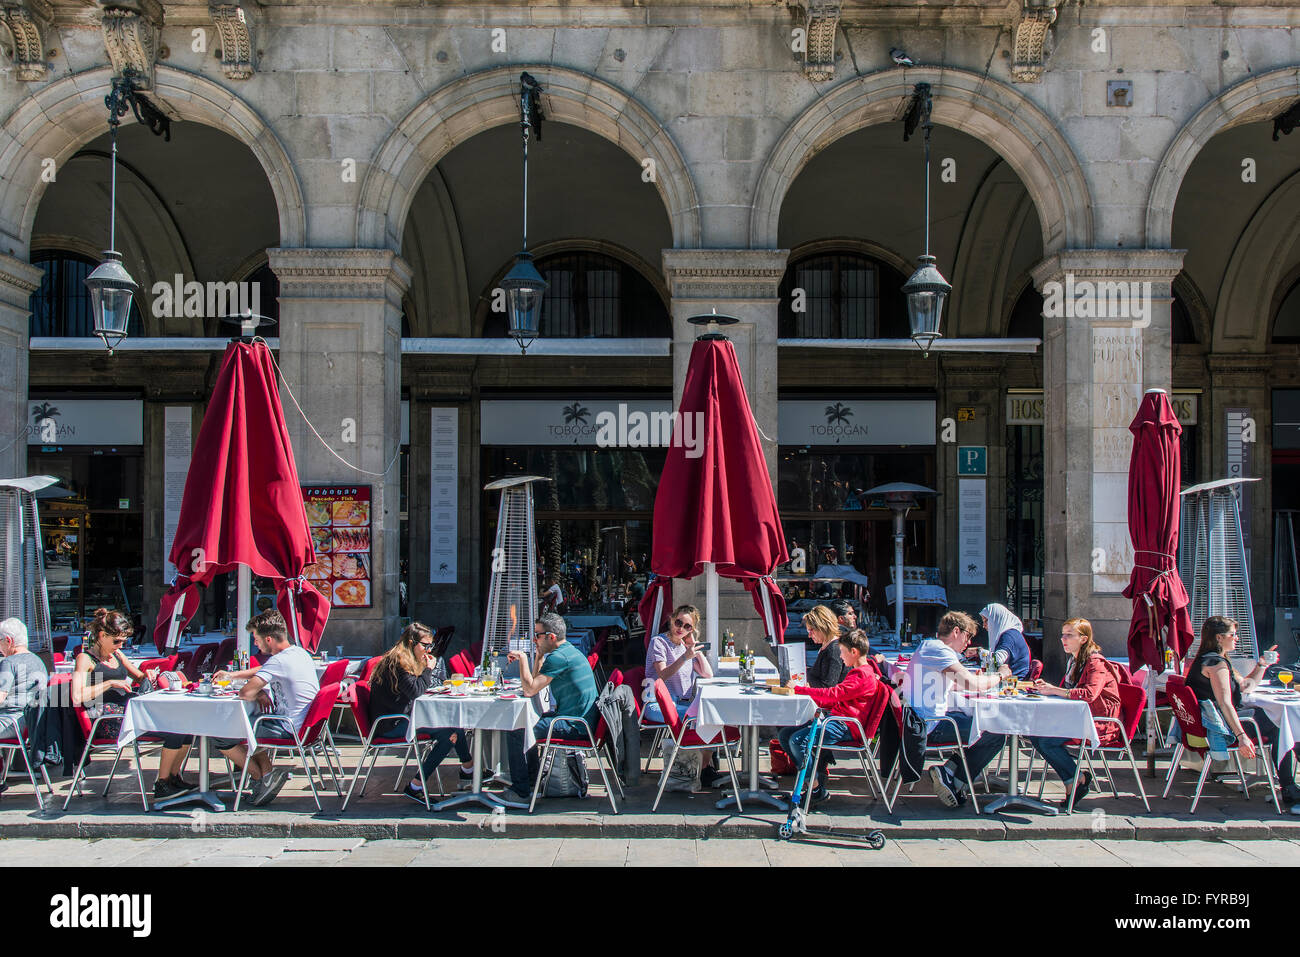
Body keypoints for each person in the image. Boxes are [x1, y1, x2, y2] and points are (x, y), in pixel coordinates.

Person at [72, 608, 194, 801]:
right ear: (102, 636)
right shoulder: (85, 659)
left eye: (123, 641)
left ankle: (173, 777)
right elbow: (77, 696)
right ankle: (162, 784)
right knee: (175, 729)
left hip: (129, 713)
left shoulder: (117, 655)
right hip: (108, 720)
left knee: (187, 727)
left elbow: (138, 676)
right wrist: (110, 683)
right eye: (116, 641)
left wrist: (149, 674)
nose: (120, 645)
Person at [898, 610, 1011, 808]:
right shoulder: (939, 651)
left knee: (980, 722)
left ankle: (949, 771)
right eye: (968, 636)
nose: (968, 643)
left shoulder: (930, 646)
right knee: (995, 730)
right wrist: (999, 676)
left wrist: (979, 680)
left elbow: (957, 684)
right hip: (929, 725)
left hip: (922, 720)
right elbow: (972, 685)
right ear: (957, 631)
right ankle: (957, 781)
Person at [1184, 616, 1299, 804]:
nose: (1236, 638)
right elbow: (1225, 704)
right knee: (1280, 724)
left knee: (1276, 718)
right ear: (1219, 637)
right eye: (1232, 634)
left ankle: (1288, 786)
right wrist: (1241, 736)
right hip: (1220, 727)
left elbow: (1245, 685)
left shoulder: (1216, 660)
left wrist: (1262, 664)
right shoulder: (1216, 664)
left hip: (1209, 722)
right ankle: (1288, 788)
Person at [211, 610, 319, 807]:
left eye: (256, 638)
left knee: (220, 732)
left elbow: (245, 694)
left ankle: (258, 777)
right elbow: (265, 670)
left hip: (288, 728)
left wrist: (256, 691)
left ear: (268, 639)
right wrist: (234, 676)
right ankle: (268, 775)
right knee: (251, 721)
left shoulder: (279, 660)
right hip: (305, 727)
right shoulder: (297, 652)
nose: (255, 643)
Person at [366, 622, 474, 804]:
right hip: (391, 724)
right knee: (449, 735)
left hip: (402, 717)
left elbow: (415, 689)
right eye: (425, 645)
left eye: (430, 645)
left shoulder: (405, 658)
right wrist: (429, 669)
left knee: (454, 724)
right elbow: (416, 691)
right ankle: (415, 786)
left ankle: (468, 769)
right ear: (411, 642)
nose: (428, 650)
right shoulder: (398, 662)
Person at [1026, 618, 1123, 806]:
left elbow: (1089, 694)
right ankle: (1074, 779)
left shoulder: (1095, 663)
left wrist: (1053, 690)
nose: (1063, 639)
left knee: (1046, 741)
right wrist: (1047, 688)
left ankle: (1076, 779)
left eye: (1069, 635)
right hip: (1078, 718)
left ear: (1084, 639)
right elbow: (1067, 691)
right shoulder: (1075, 660)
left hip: (1099, 723)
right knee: (1036, 735)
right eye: (1063, 634)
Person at [503, 612, 599, 800]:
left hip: (574, 726)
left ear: (551, 637)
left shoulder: (558, 657)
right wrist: (538, 655)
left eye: (537, 635)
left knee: (516, 728)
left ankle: (521, 790)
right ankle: (531, 780)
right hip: (579, 720)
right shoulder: (567, 650)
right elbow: (535, 682)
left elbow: (530, 689)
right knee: (524, 722)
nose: (534, 639)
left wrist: (523, 658)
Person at [783, 629, 882, 805]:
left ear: (854, 652)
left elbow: (835, 694)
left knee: (797, 740)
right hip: (839, 720)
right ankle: (810, 779)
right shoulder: (861, 672)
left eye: (842, 652)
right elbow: (841, 698)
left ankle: (814, 787)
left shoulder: (862, 675)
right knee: (785, 735)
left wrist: (799, 689)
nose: (841, 658)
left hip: (844, 726)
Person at [643, 604, 722, 786]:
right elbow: (662, 674)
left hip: (679, 703)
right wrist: (685, 657)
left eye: (687, 626)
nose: (681, 629)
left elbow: (708, 674)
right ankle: (703, 769)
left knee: (712, 715)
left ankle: (703, 765)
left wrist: (694, 648)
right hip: (657, 704)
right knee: (705, 717)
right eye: (679, 623)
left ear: (692, 630)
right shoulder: (659, 642)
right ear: (671, 620)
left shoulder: (684, 646)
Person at [0, 618, 47, 740]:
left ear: (8, 641)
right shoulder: (38, 661)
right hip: (32, 723)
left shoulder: (9, 662)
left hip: (10, 722)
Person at [966, 602, 1032, 679]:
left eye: (986, 621)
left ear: (996, 618)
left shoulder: (1008, 636)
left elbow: (997, 660)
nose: (984, 625)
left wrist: (979, 651)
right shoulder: (1009, 634)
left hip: (1014, 682)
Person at [803, 605, 849, 689]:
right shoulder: (830, 646)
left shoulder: (833, 650)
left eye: (811, 630)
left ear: (822, 627)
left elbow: (828, 686)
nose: (809, 635)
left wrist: (803, 678)